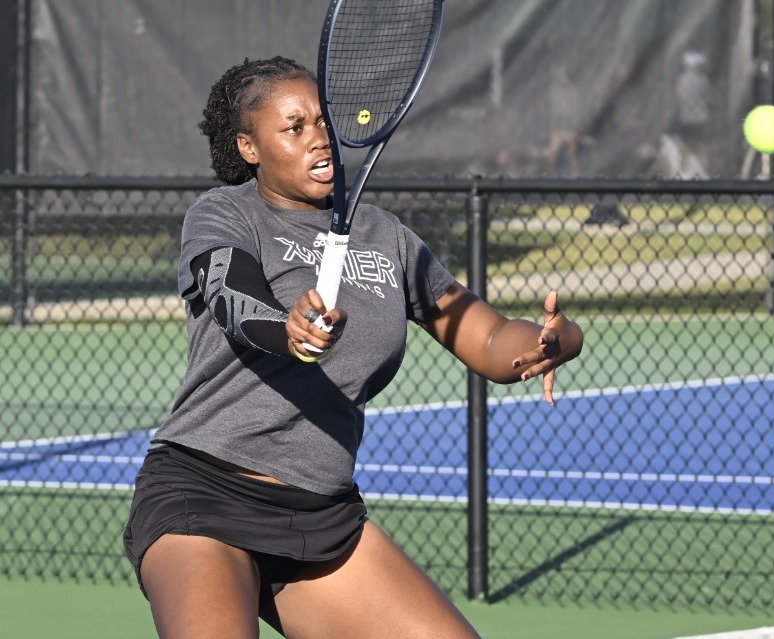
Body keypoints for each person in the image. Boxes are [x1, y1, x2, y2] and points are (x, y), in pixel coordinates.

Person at [122, 56, 584, 639]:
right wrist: (287, 331)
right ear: (249, 147)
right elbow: (231, 299)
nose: (318, 139)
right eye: (294, 128)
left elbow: (490, 339)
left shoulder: (385, 237)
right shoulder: (226, 213)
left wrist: (556, 339)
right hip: (204, 496)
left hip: (322, 512)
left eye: (323, 123)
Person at [673, 51, 712, 178]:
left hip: (685, 118)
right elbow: (707, 97)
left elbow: (679, 98)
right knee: (702, 145)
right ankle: (703, 173)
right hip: (700, 118)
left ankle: (682, 172)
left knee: (685, 145)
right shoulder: (702, 80)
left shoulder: (681, 80)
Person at [544, 65, 583, 176]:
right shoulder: (553, 91)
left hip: (569, 127)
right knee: (552, 154)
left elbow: (576, 109)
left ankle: (575, 177)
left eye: (562, 74)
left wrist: (576, 128)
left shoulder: (573, 91)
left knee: (572, 155)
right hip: (557, 127)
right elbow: (551, 109)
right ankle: (547, 177)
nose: (561, 76)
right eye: (559, 74)